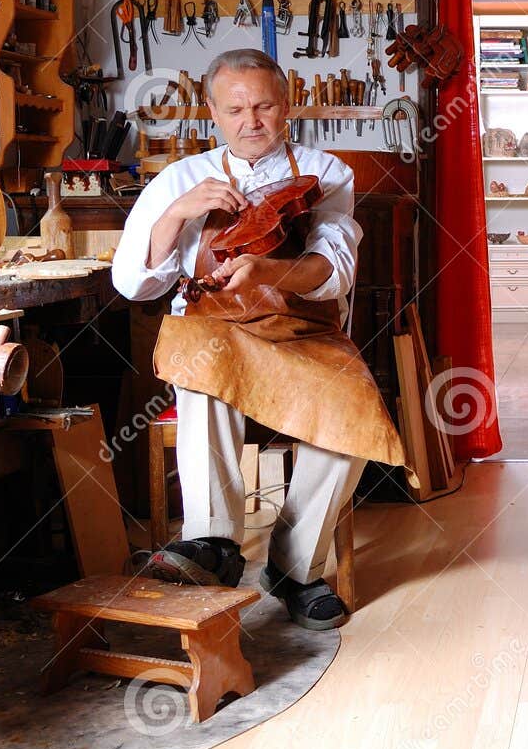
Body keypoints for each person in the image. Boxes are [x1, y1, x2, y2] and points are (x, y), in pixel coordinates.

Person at [112, 49, 402, 630]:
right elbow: (133, 285)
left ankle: (294, 568)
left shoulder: (326, 172)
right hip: (213, 328)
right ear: (213, 113)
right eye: (236, 108)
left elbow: (335, 268)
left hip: (301, 330)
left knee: (354, 411)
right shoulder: (181, 177)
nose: (252, 121)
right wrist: (175, 215)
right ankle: (214, 543)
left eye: (265, 105)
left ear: (286, 105)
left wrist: (269, 272)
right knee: (203, 368)